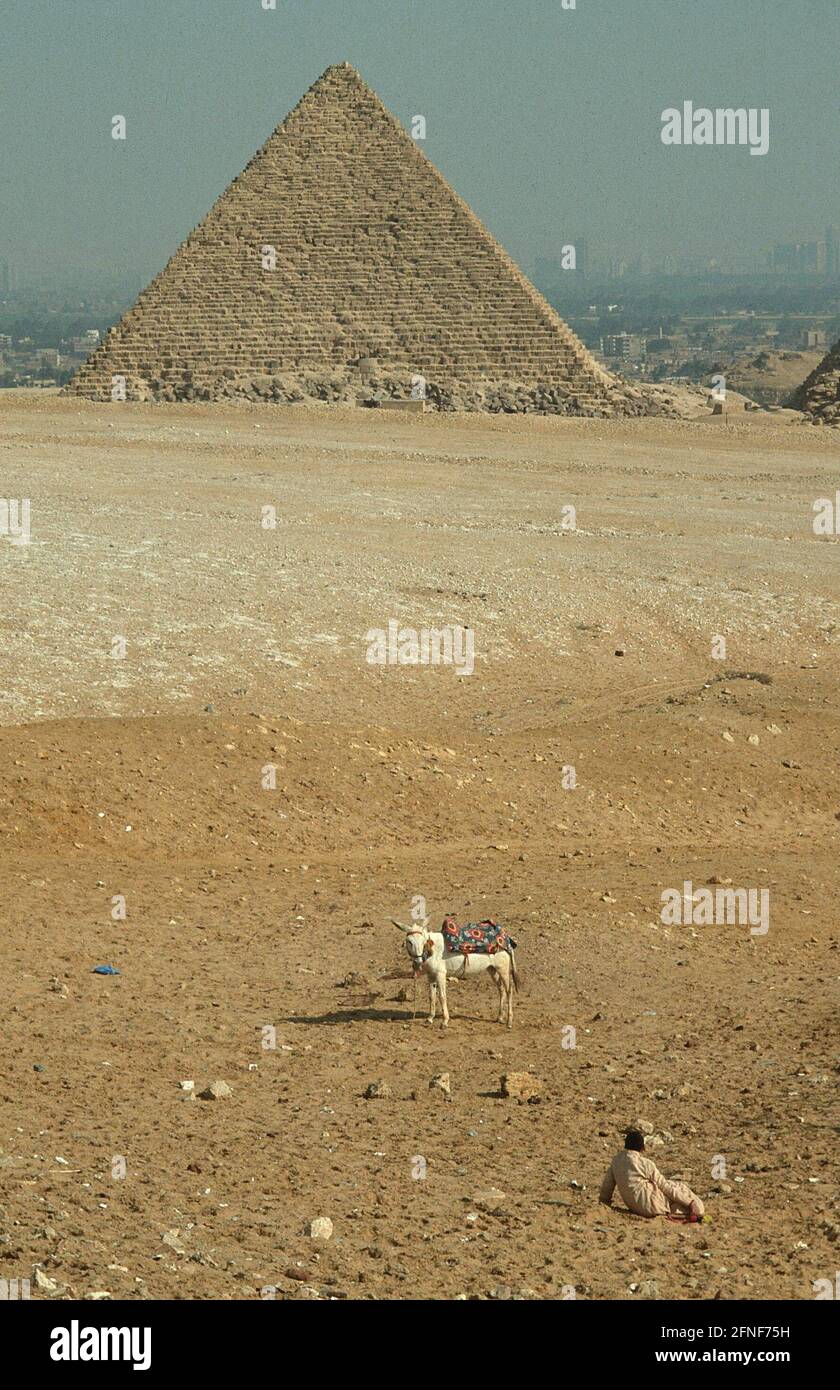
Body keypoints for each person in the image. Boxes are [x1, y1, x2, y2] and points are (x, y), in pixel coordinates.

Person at [599, 1129, 705, 1220]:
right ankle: (695, 1210)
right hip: (651, 1207)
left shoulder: (616, 1161)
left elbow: (607, 1187)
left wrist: (604, 1201)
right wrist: (689, 1203)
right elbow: (665, 1186)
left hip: (634, 1206)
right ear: (642, 1148)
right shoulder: (646, 1164)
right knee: (679, 1187)